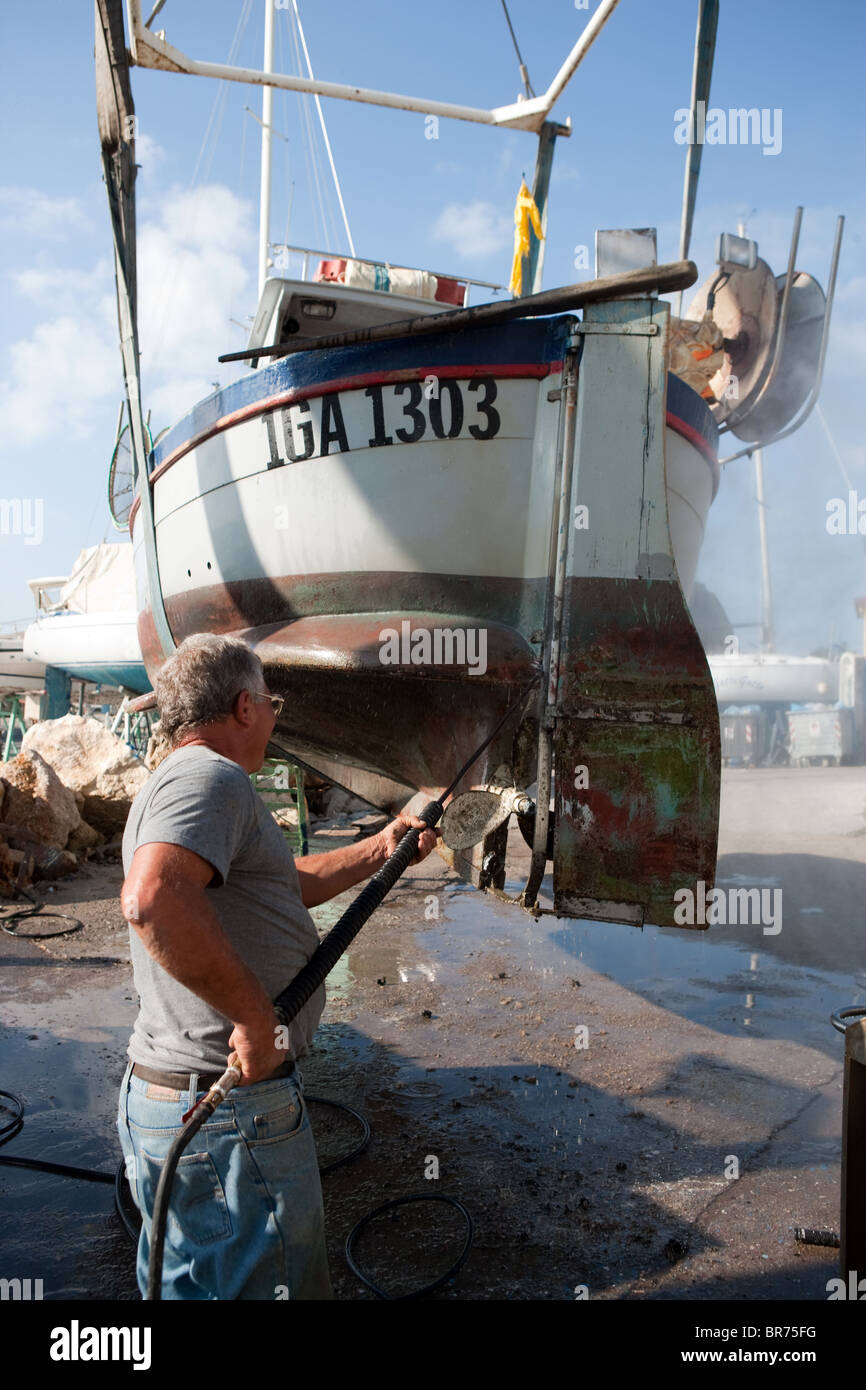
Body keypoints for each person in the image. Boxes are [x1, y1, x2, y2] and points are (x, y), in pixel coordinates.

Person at [117, 632, 438, 1300]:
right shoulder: (212, 776)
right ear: (243, 707)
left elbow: (280, 884)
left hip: (175, 1095)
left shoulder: (180, 782)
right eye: (272, 702)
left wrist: (384, 847)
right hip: (229, 1104)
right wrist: (256, 1018)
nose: (273, 715)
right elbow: (152, 898)